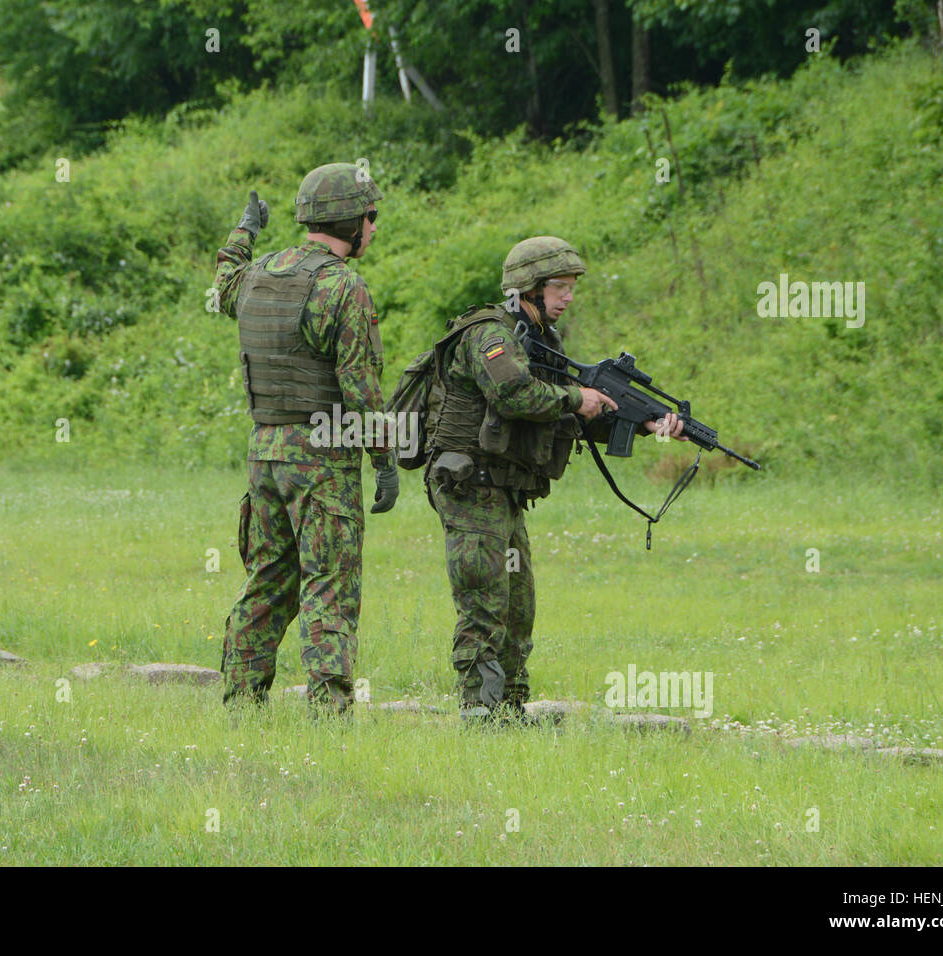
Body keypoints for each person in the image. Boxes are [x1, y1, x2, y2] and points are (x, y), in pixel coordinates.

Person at [423, 236, 684, 723]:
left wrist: (647, 424)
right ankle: (480, 716)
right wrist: (575, 399)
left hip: (504, 488)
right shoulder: (491, 334)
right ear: (528, 287)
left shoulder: (539, 340)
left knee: (519, 606)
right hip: (470, 486)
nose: (567, 297)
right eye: (559, 287)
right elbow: (514, 395)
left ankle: (510, 711)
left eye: (570, 288)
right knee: (484, 602)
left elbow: (571, 413)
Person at [213, 163, 398, 714]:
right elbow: (361, 390)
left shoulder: (258, 275)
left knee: (267, 580)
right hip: (323, 461)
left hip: (265, 454)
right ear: (350, 221)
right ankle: (329, 712)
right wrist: (385, 461)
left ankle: (241, 702)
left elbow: (224, 281)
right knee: (329, 583)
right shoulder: (344, 287)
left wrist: (245, 230)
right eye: (371, 216)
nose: (373, 227)